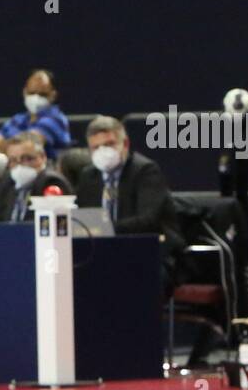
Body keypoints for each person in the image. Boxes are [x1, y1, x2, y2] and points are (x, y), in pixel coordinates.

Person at [75, 115, 184, 292]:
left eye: (109, 145)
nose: (102, 151)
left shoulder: (145, 171)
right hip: (102, 254)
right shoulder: (89, 177)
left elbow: (148, 220)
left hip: (148, 253)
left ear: (125, 144)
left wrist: (104, 229)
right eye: (96, 147)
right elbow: (82, 218)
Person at [0, 134, 72, 223]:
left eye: (27, 158)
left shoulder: (51, 181)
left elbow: (50, 224)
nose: (20, 165)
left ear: (42, 157)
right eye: (13, 160)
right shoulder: (9, 182)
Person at [0, 68, 72, 161]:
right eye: (32, 93)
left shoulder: (56, 119)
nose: (36, 98)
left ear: (53, 95)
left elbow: (26, 146)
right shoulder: (17, 119)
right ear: (25, 92)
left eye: (42, 94)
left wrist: (3, 148)